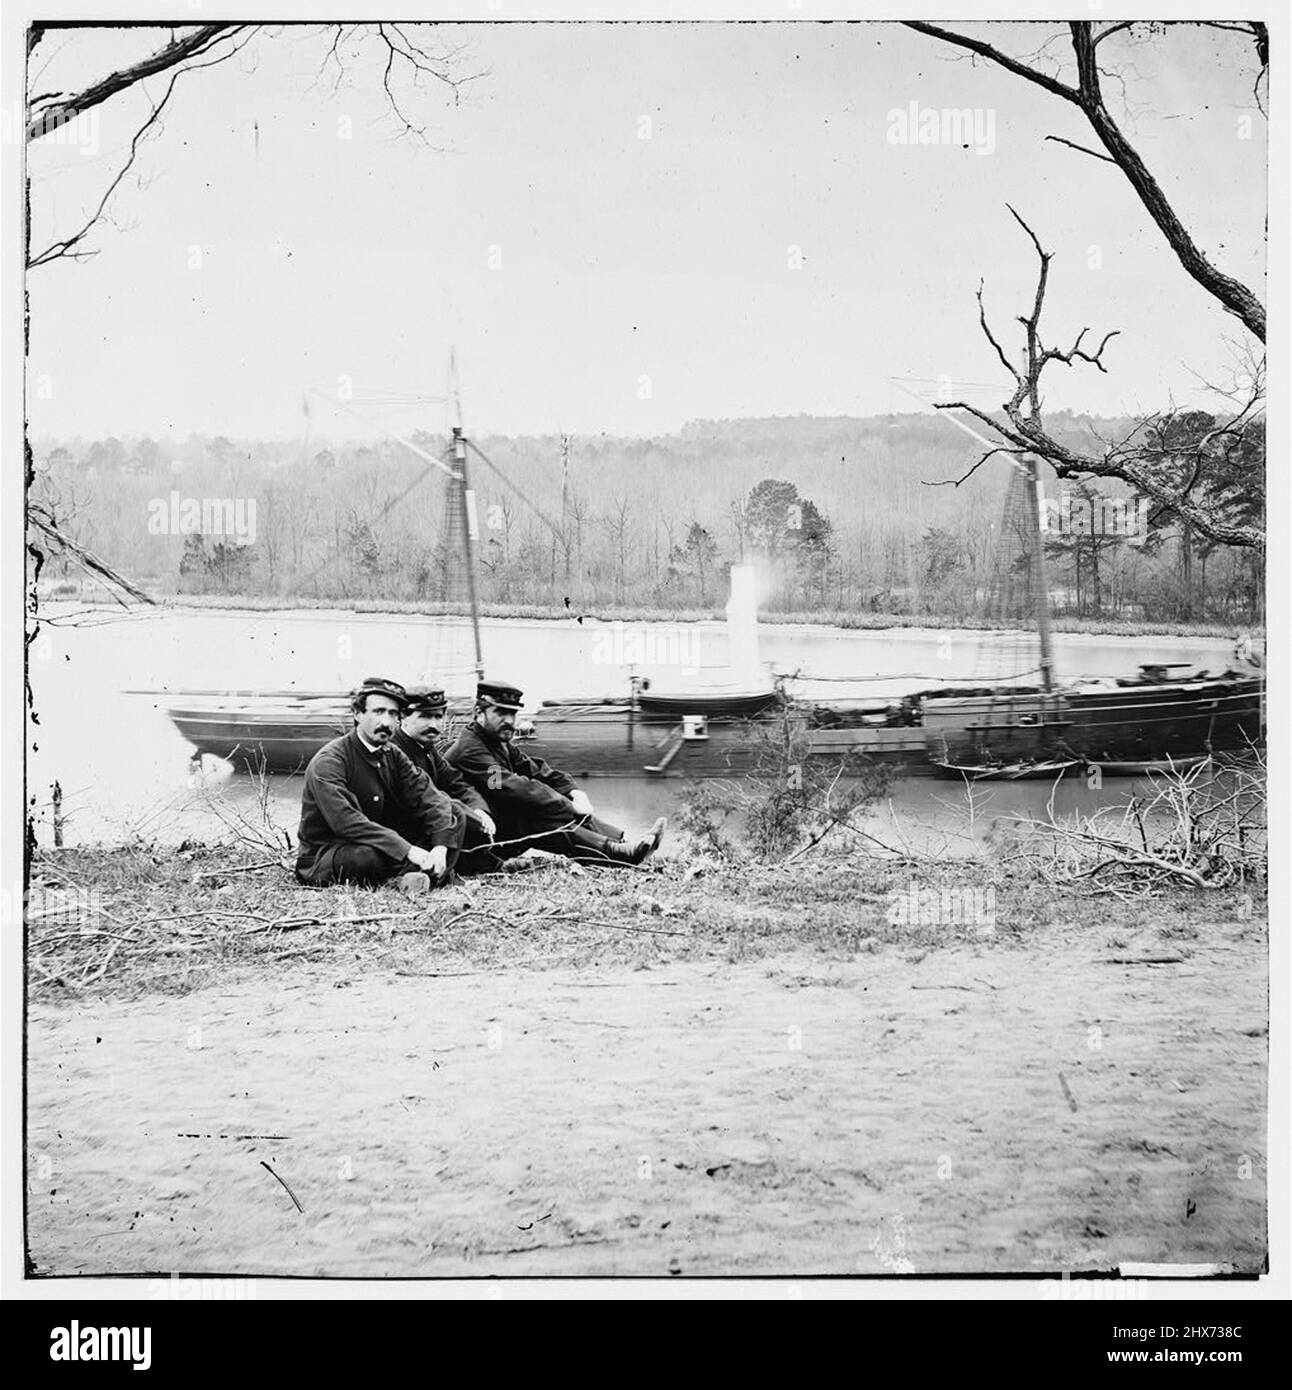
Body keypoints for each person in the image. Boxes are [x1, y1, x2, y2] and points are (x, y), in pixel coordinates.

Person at [445, 679, 666, 866]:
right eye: (500, 713)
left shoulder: (495, 741)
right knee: (534, 814)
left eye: (512, 714)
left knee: (541, 807)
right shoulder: (471, 749)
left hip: (497, 830)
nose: (509, 722)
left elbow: (536, 769)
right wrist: (566, 805)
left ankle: (624, 842)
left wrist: (573, 791)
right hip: (478, 845)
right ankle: (617, 853)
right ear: (478, 712)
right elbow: (505, 784)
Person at [295, 676, 466, 892]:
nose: (386, 722)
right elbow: (347, 822)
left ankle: (415, 878)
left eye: (393, 713)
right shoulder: (330, 761)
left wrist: (441, 846)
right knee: (366, 858)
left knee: (453, 813)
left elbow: (429, 794)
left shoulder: (392, 753)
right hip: (331, 850)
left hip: (378, 840)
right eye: (378, 712)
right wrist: (408, 850)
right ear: (357, 714)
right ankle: (412, 877)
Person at [395, 683, 501, 874]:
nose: (434, 725)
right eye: (425, 716)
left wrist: (479, 809)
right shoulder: (396, 751)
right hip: (413, 831)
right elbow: (429, 798)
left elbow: (455, 781)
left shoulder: (426, 749)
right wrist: (475, 816)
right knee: (458, 812)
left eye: (438, 716)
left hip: (441, 820)